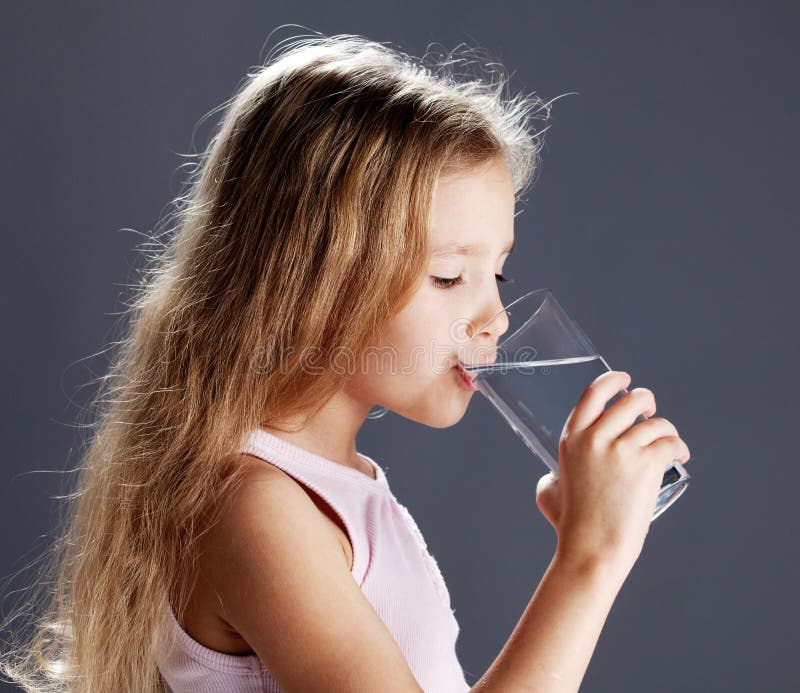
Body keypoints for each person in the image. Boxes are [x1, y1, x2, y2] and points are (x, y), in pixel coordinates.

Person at [0, 31, 691, 693]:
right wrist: (590, 556)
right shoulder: (257, 510)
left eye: (499, 275)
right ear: (318, 281)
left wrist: (590, 533)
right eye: (450, 277)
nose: (497, 318)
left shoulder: (334, 488)